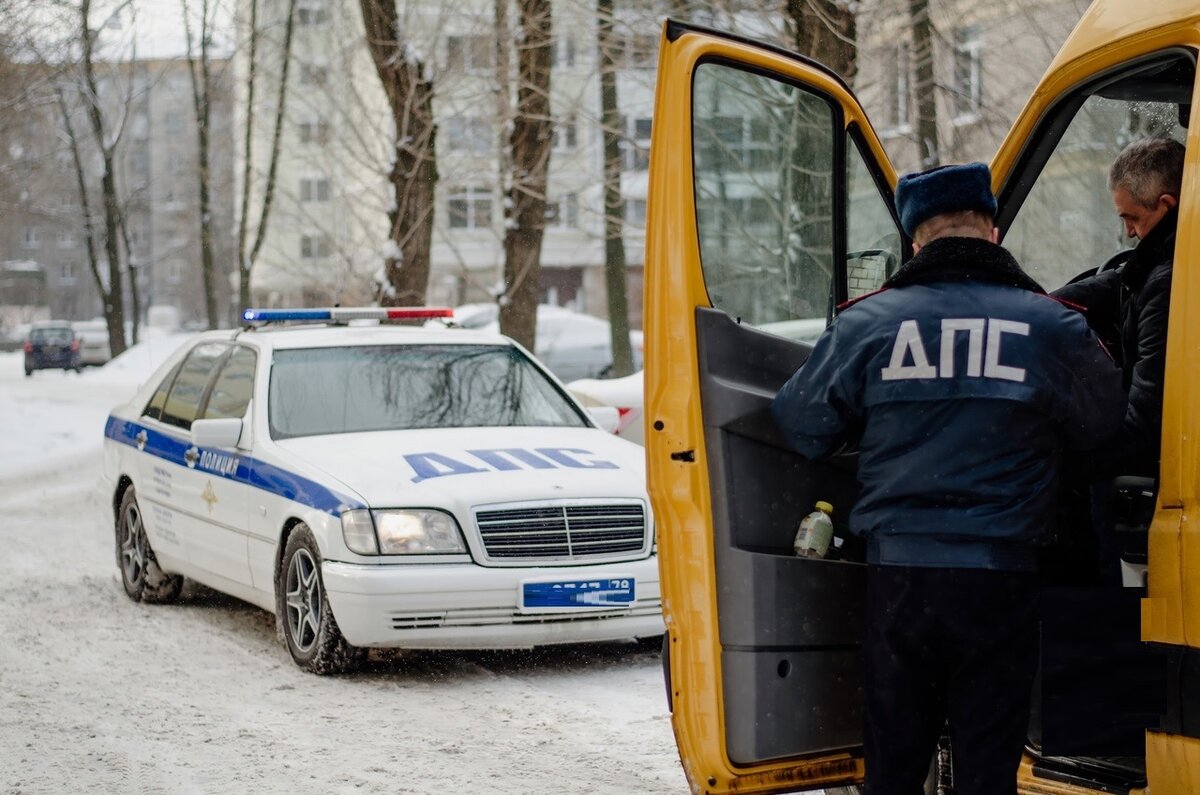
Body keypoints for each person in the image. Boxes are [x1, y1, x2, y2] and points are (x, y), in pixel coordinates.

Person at [770, 162, 1125, 795]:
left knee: (895, 762)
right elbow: (1104, 434)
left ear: (914, 240)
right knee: (989, 766)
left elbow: (801, 425)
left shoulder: (869, 323)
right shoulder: (1053, 325)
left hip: (899, 581)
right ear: (992, 229)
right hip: (1001, 580)